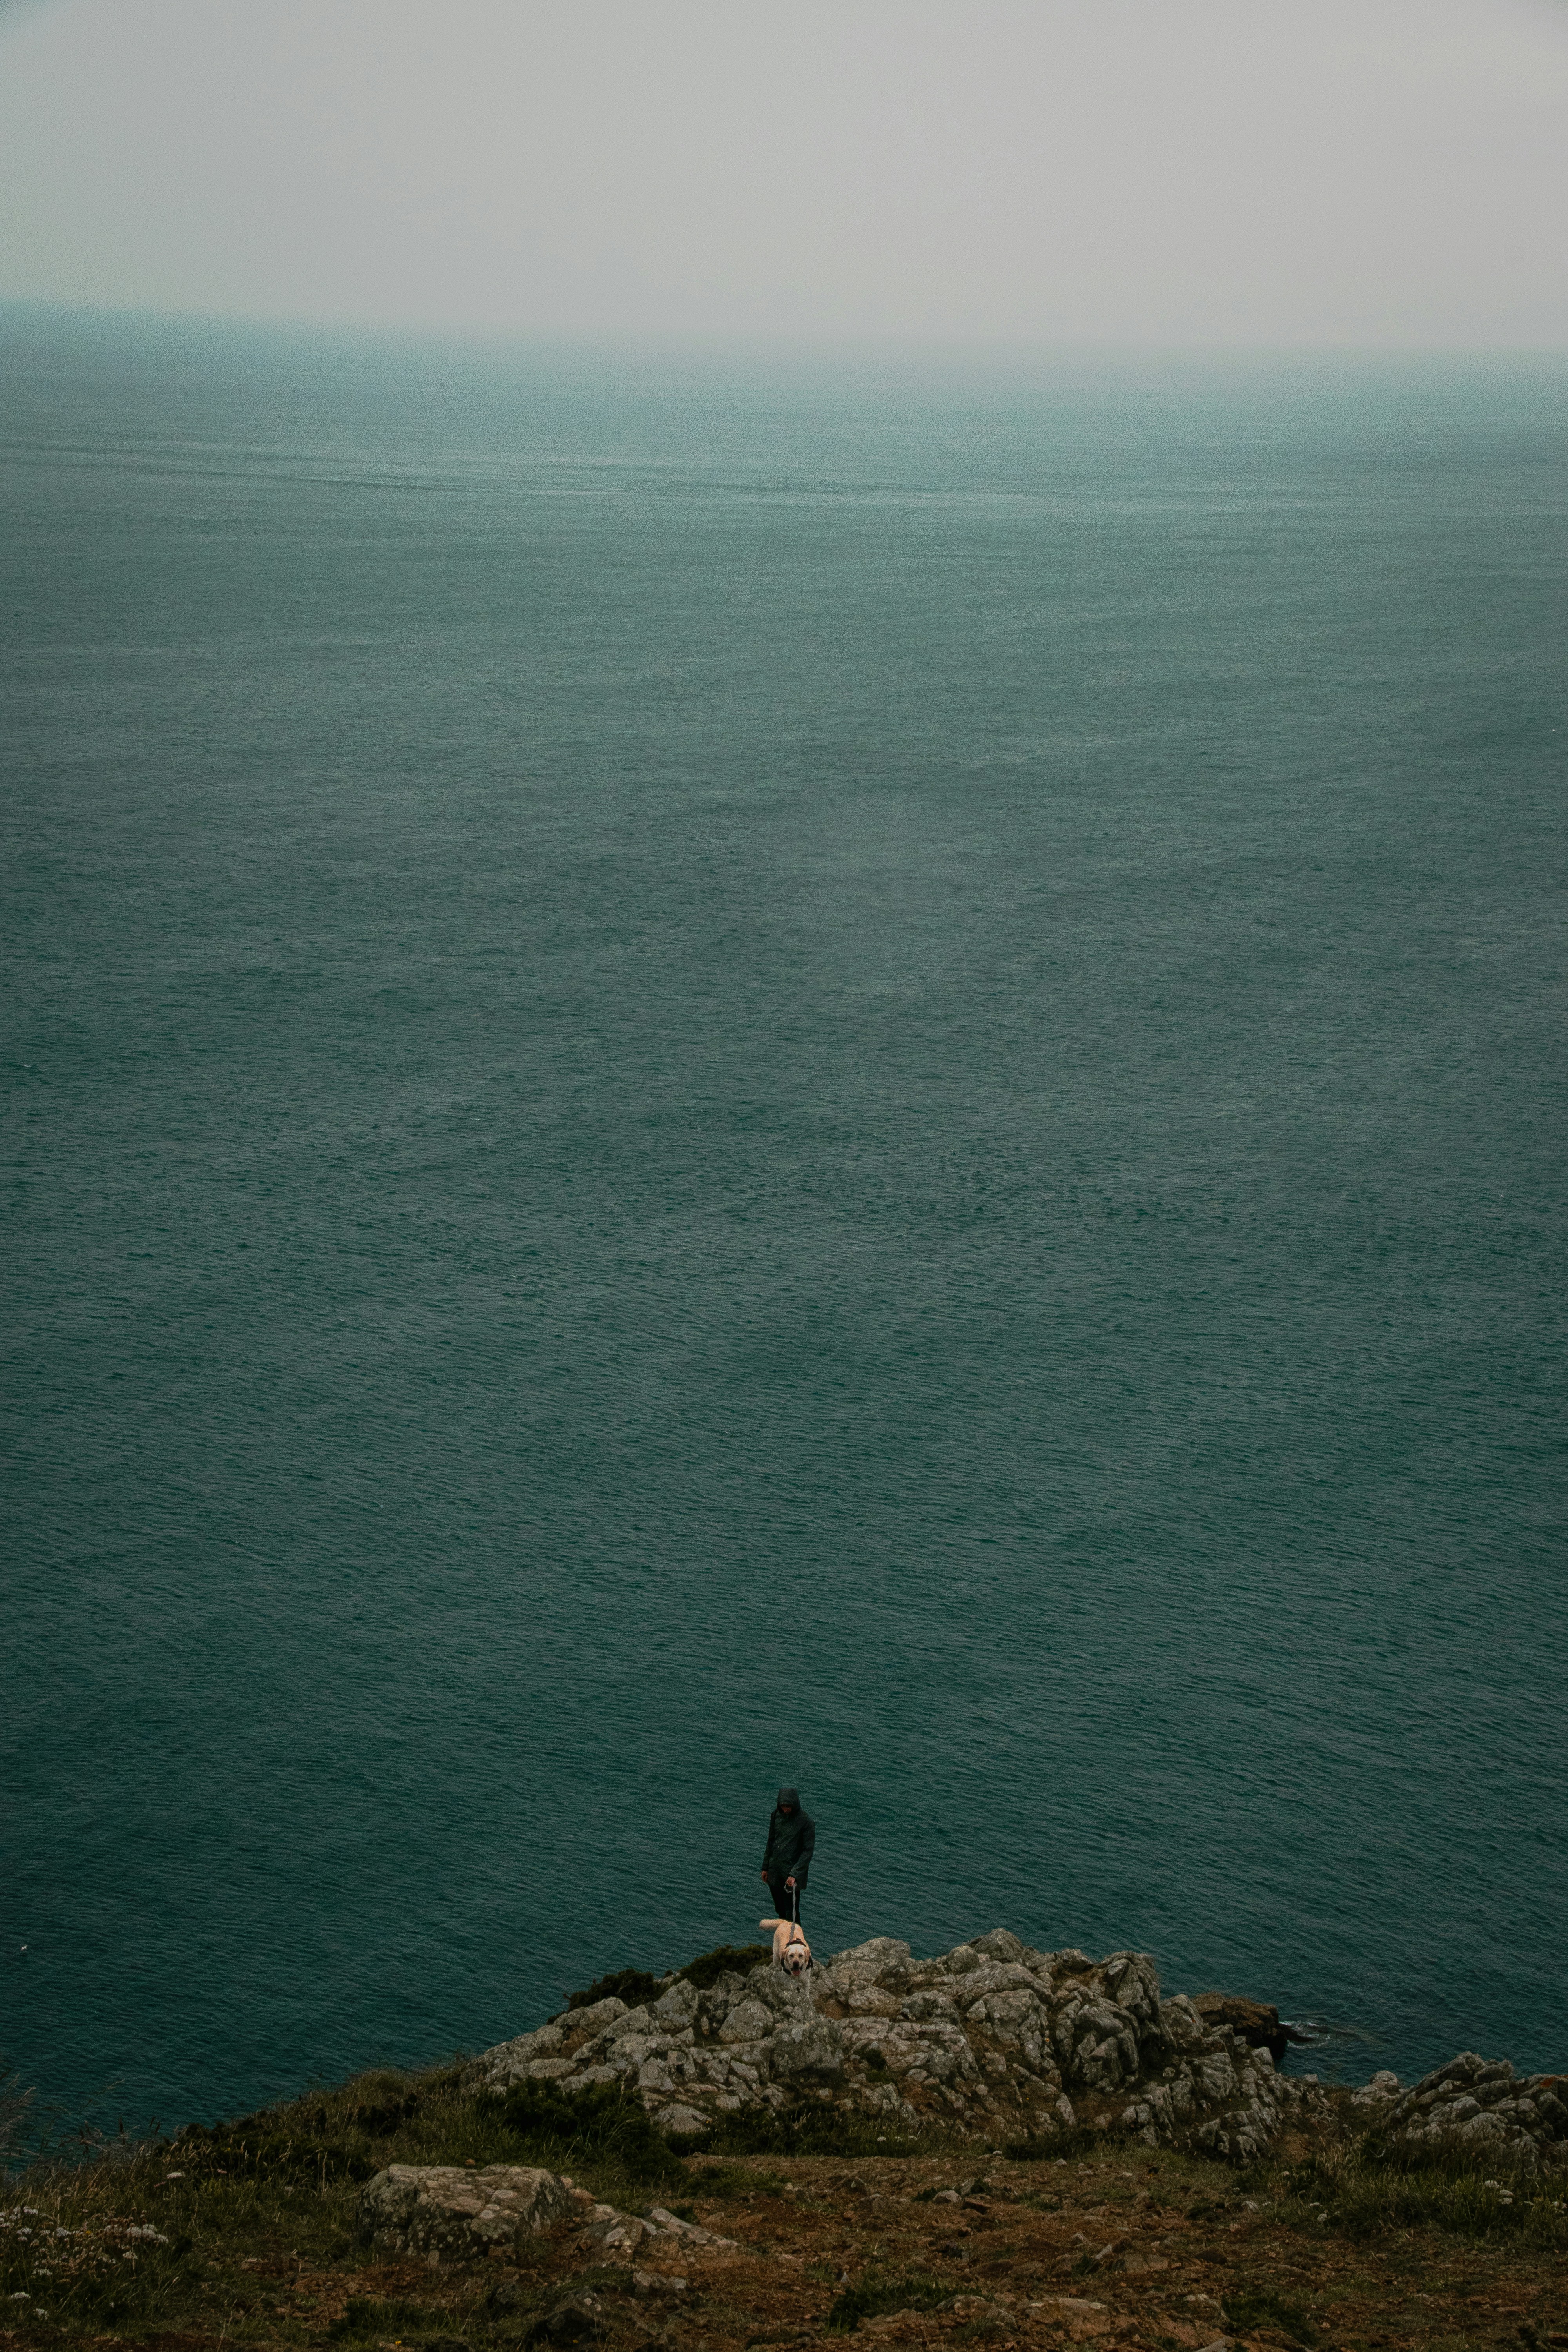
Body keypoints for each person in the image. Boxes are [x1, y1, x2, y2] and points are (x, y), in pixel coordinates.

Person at [760, 1784, 815, 1921]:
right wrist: (765, 1867)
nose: (786, 1809)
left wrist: (794, 1874)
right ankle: (784, 1940)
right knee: (779, 1909)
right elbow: (771, 1841)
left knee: (792, 1912)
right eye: (783, 1806)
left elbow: (808, 1851)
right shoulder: (776, 1816)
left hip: (791, 1874)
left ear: (795, 1803)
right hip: (774, 1870)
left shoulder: (806, 1822)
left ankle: (797, 1941)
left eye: (788, 1806)